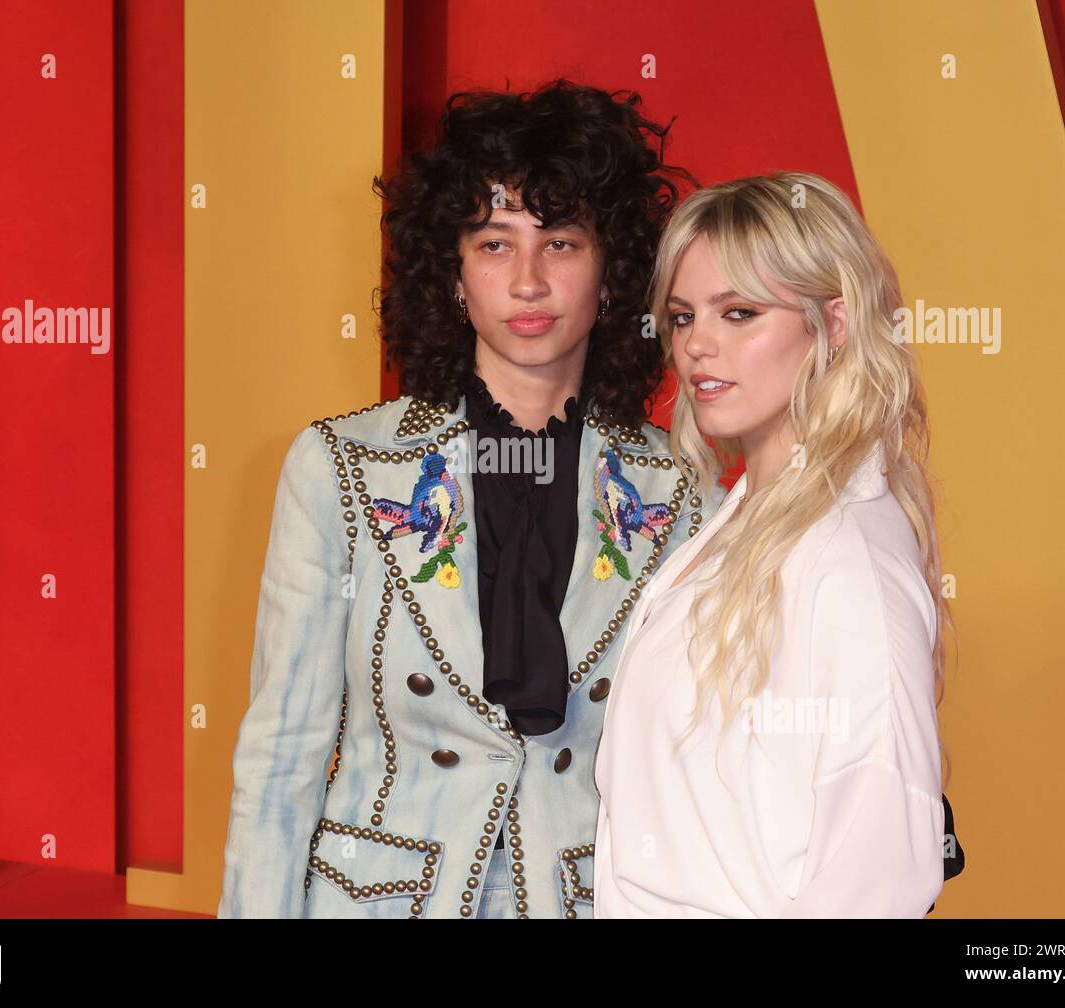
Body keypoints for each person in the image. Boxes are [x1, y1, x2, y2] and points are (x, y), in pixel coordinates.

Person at [217, 79, 709, 918]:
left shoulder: (679, 489)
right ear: (449, 271)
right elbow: (281, 754)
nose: (526, 281)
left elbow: (689, 767)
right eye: (492, 243)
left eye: (560, 243)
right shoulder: (339, 468)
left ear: (612, 275)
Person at [594, 171, 960, 917]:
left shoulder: (847, 556)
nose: (699, 346)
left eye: (740, 313)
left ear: (836, 323)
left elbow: (881, 874)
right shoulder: (744, 521)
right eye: (684, 316)